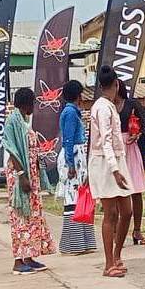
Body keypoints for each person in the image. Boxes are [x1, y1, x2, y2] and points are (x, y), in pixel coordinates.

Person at [3, 88, 57, 275]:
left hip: (30, 175)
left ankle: (29, 256)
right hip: (20, 176)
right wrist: (21, 174)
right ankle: (18, 261)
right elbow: (11, 148)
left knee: (32, 217)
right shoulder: (13, 121)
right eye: (32, 103)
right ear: (26, 103)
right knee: (20, 216)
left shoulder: (25, 123)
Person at [89, 66, 133, 278]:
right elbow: (105, 140)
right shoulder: (102, 108)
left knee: (127, 211)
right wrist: (114, 170)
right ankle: (108, 264)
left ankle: (117, 255)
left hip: (117, 160)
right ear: (116, 84)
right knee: (111, 213)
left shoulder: (109, 106)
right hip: (105, 164)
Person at [58, 80, 97, 255]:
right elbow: (68, 140)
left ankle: (84, 242)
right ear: (77, 95)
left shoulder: (75, 112)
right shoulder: (70, 113)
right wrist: (71, 164)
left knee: (81, 198)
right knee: (73, 198)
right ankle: (73, 244)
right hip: (73, 157)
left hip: (78, 157)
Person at [117, 81, 145, 245]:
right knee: (117, 192)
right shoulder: (106, 106)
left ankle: (137, 230)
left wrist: (137, 135)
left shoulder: (132, 104)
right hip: (115, 150)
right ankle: (117, 230)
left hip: (130, 148)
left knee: (136, 191)